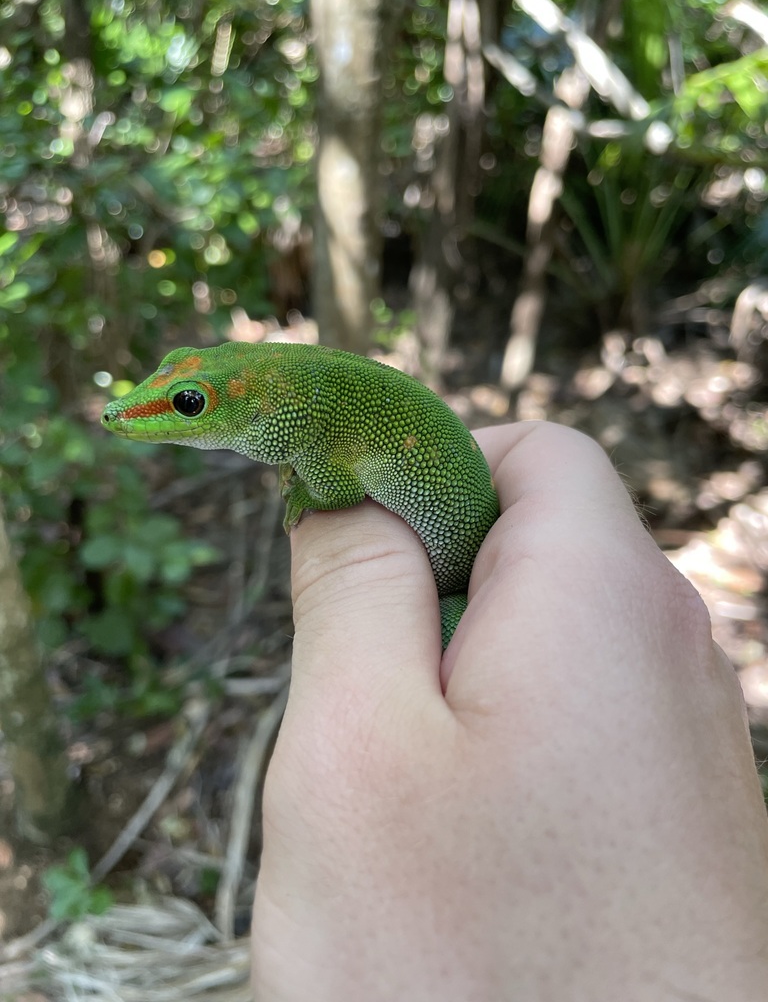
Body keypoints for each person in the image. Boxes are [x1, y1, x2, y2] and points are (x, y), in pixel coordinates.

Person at [251, 422, 768, 1000]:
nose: (130, 414)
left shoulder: (324, 448)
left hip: (462, 599)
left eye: (189, 404)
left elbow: (342, 494)